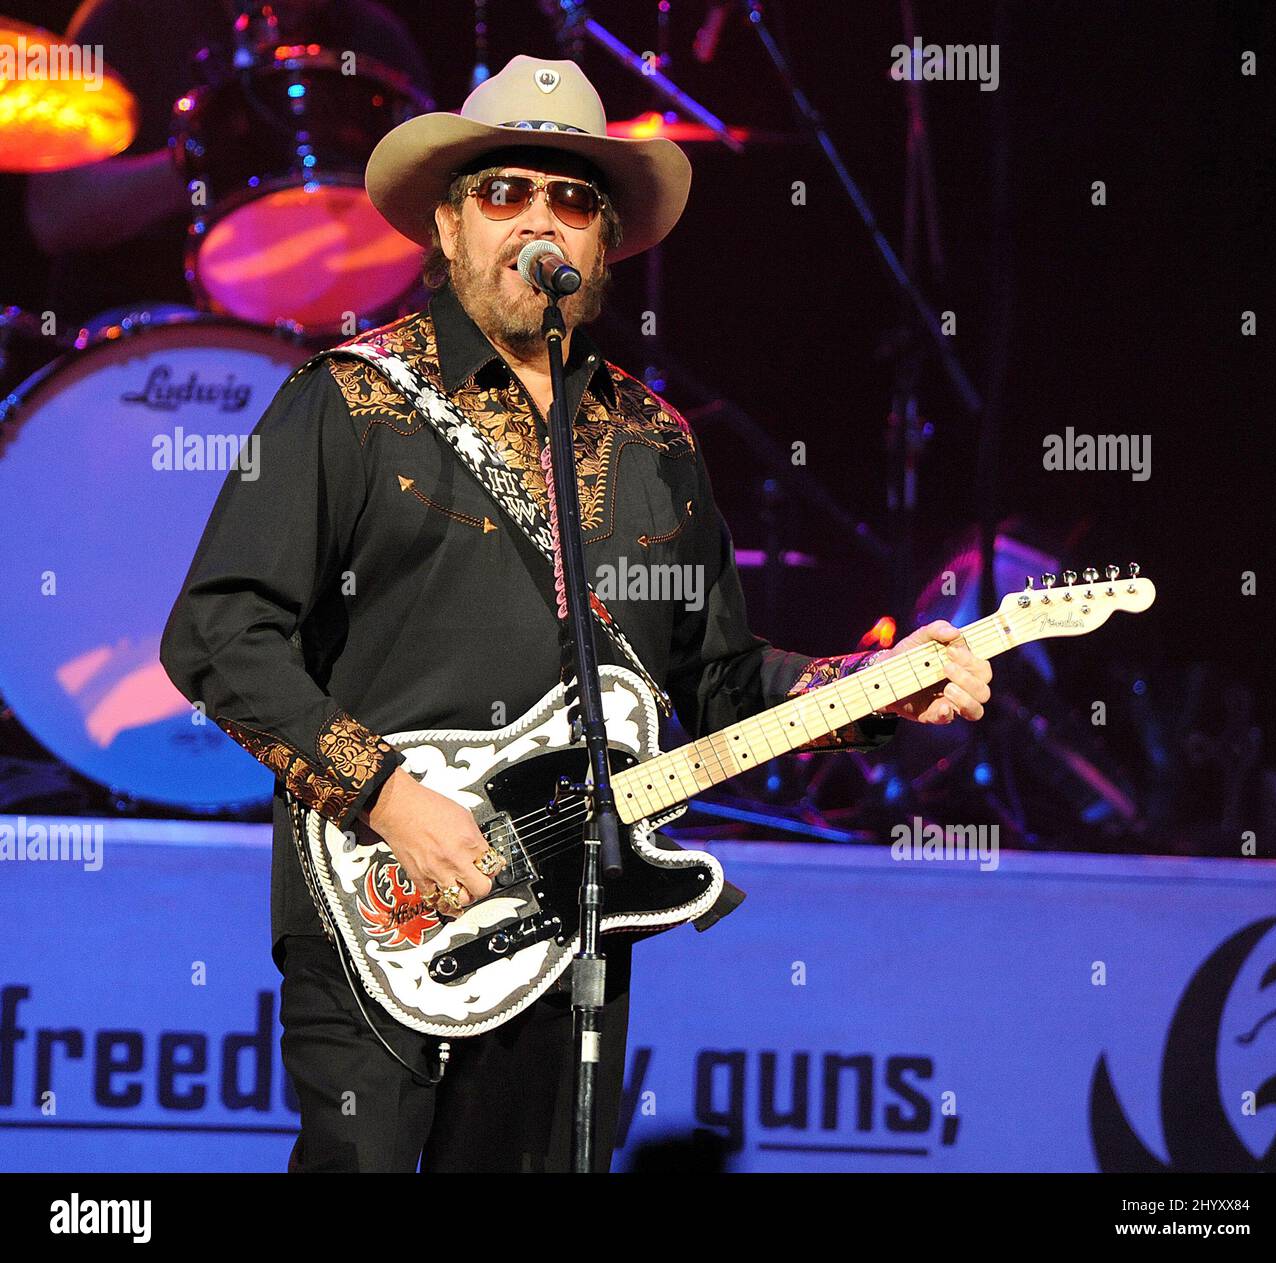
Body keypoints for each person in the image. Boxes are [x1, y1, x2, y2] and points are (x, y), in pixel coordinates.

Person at [159, 54, 993, 1173]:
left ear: (601, 244)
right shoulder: (349, 400)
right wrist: (387, 795)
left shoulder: (656, 443)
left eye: (570, 199)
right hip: (376, 896)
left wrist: (881, 687)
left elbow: (711, 680)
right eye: (503, 192)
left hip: (571, 914)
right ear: (447, 228)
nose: (536, 220)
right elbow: (216, 635)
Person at [24, 0, 432, 327]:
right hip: (145, 330)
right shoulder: (129, 16)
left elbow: (426, 220)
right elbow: (55, 214)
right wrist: (206, 161)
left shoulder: (374, 37)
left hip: (328, 333)